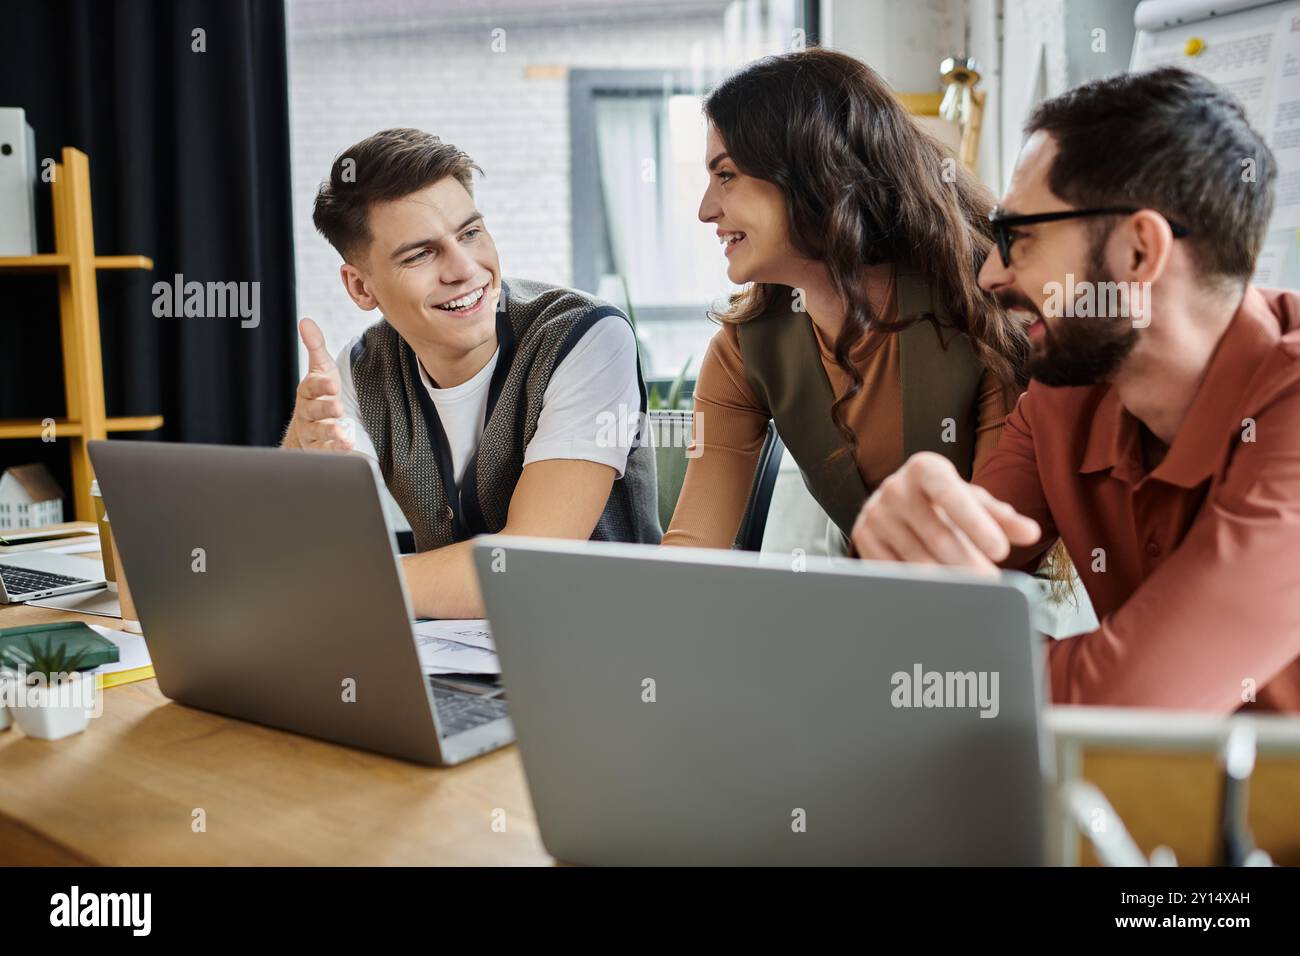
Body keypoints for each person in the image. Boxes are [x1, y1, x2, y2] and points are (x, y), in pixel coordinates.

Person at [851, 68, 1300, 713]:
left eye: (1019, 237)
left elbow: (1129, 698)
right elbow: (919, 623)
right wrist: (903, 552)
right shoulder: (1067, 392)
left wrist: (945, 651)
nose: (990, 274)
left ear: (1140, 252)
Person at [281, 128, 660, 618]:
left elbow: (527, 565)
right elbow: (296, 547)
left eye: (470, 233)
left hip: (603, 649)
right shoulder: (362, 366)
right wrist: (301, 444)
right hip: (451, 657)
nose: (464, 269)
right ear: (360, 287)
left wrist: (342, 583)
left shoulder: (585, 337)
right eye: (420, 254)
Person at [660, 49, 1028, 553]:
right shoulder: (743, 352)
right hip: (872, 610)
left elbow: (999, 553)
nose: (706, 210)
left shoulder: (976, 304)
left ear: (812, 172)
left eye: (726, 176)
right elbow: (692, 549)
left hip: (997, 615)